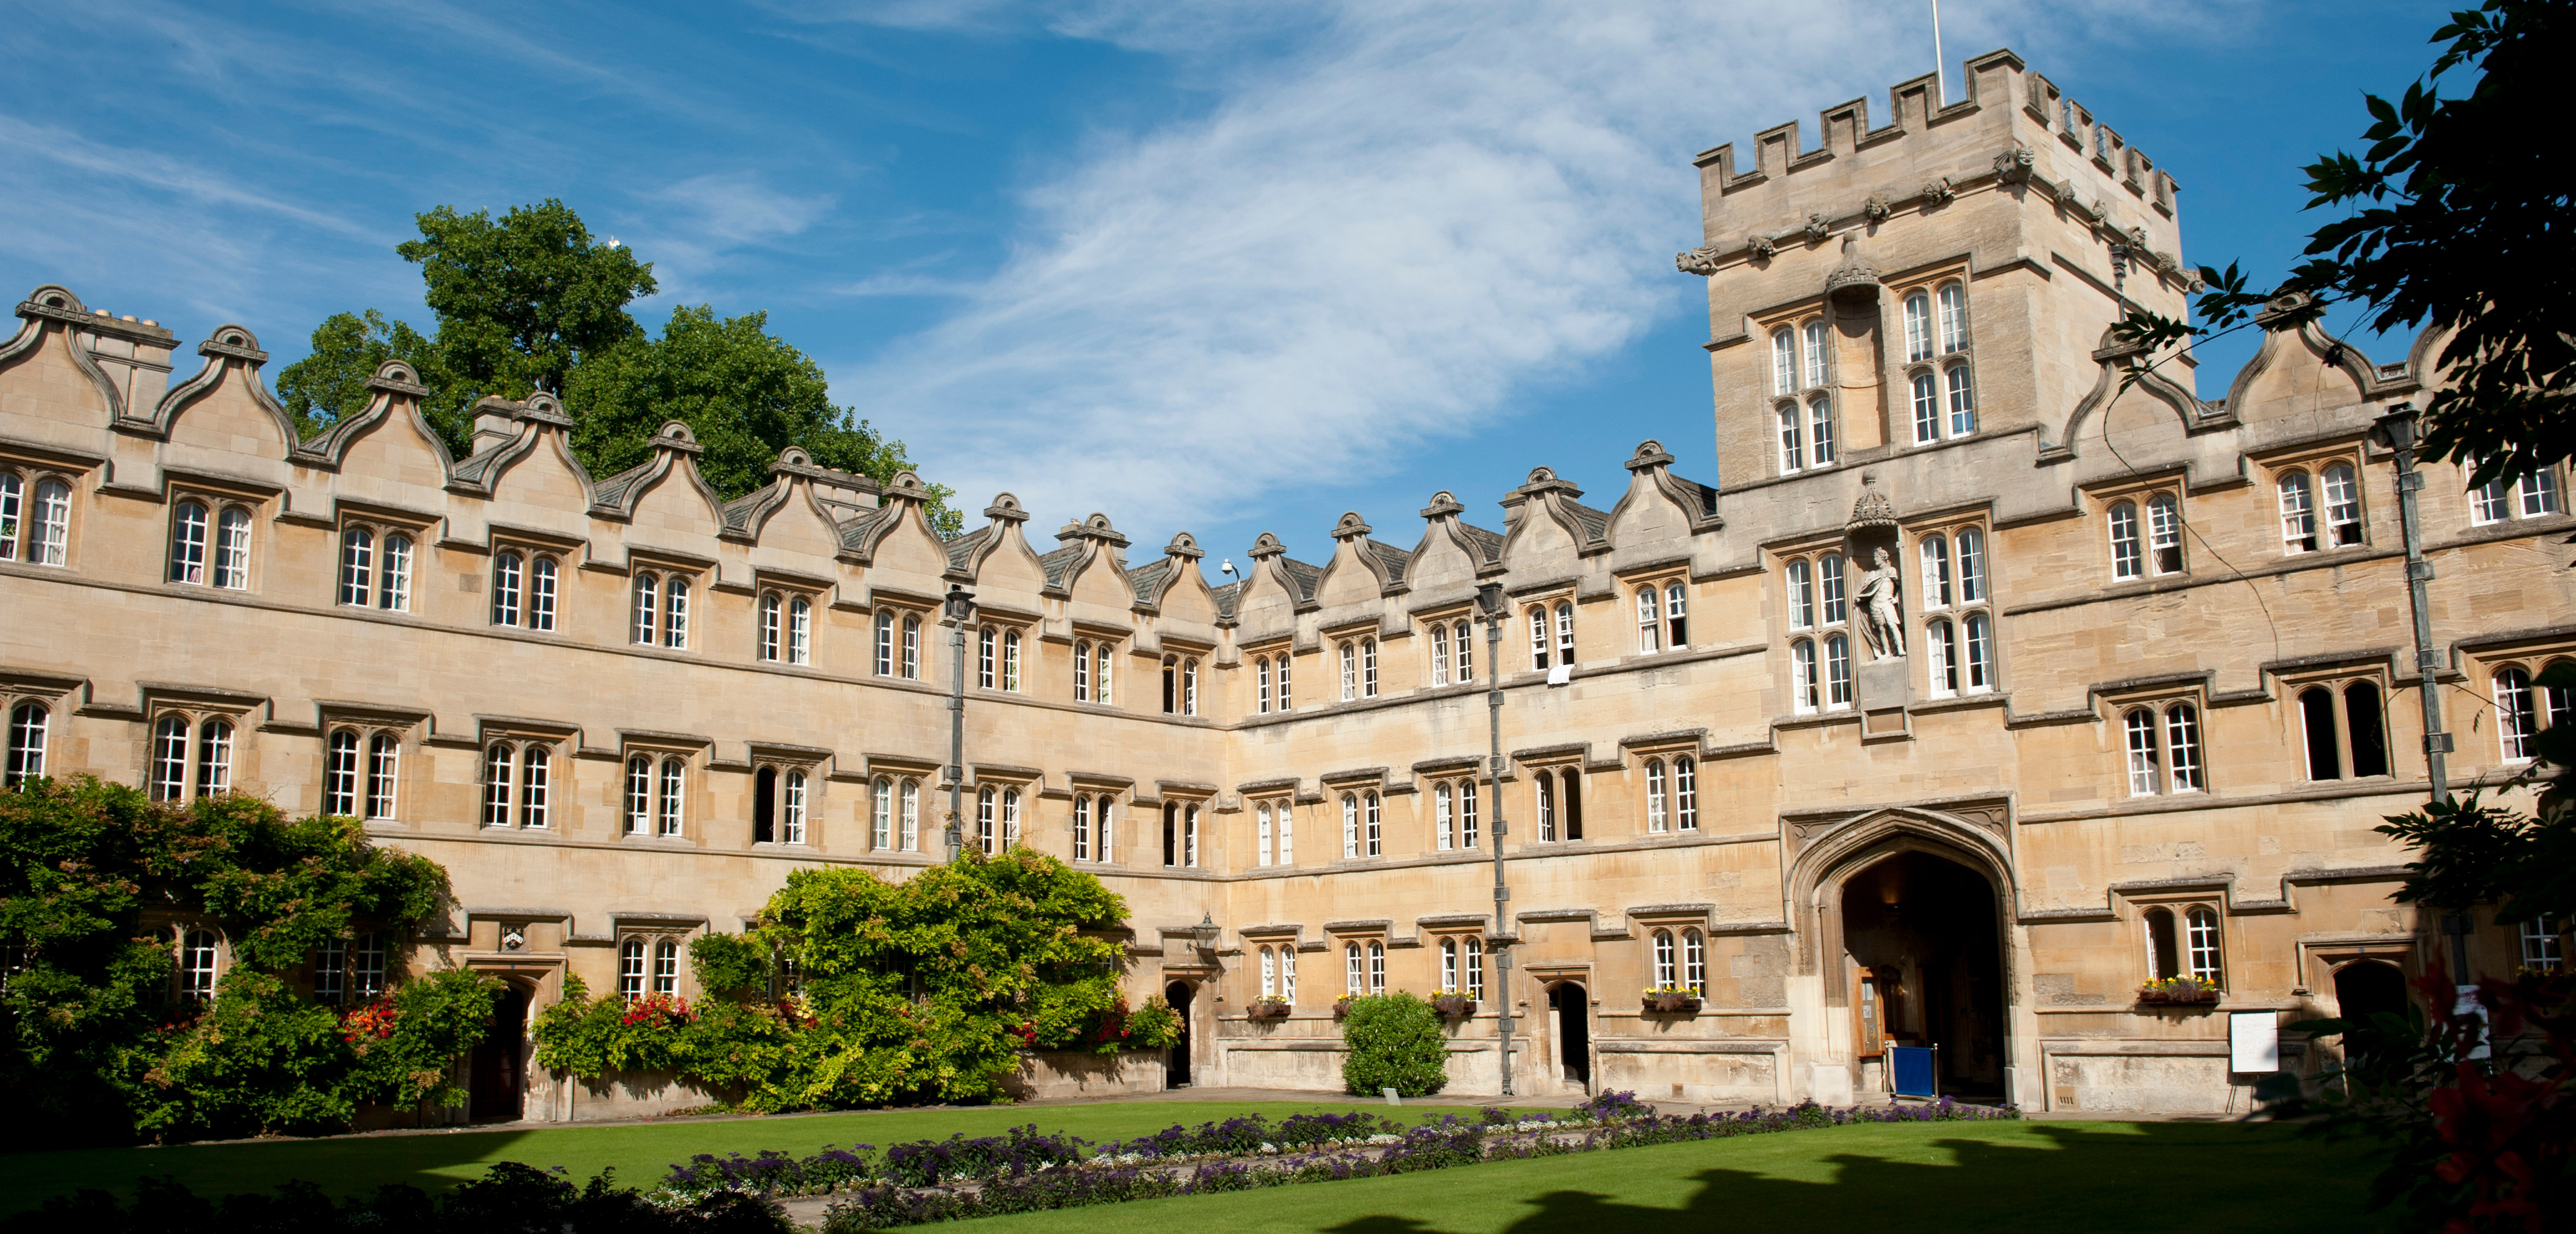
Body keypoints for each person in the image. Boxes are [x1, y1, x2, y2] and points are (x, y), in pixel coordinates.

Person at [1856, 546, 1904, 660]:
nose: (1875, 560)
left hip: (1887, 602)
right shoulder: (1872, 574)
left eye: (1876, 557)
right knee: (1881, 629)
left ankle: (1900, 648)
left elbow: (1901, 587)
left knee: (1893, 626)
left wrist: (1896, 599)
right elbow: (1866, 590)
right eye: (1874, 557)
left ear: (1883, 558)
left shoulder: (1891, 571)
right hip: (1875, 604)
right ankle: (1886, 651)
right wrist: (1861, 598)